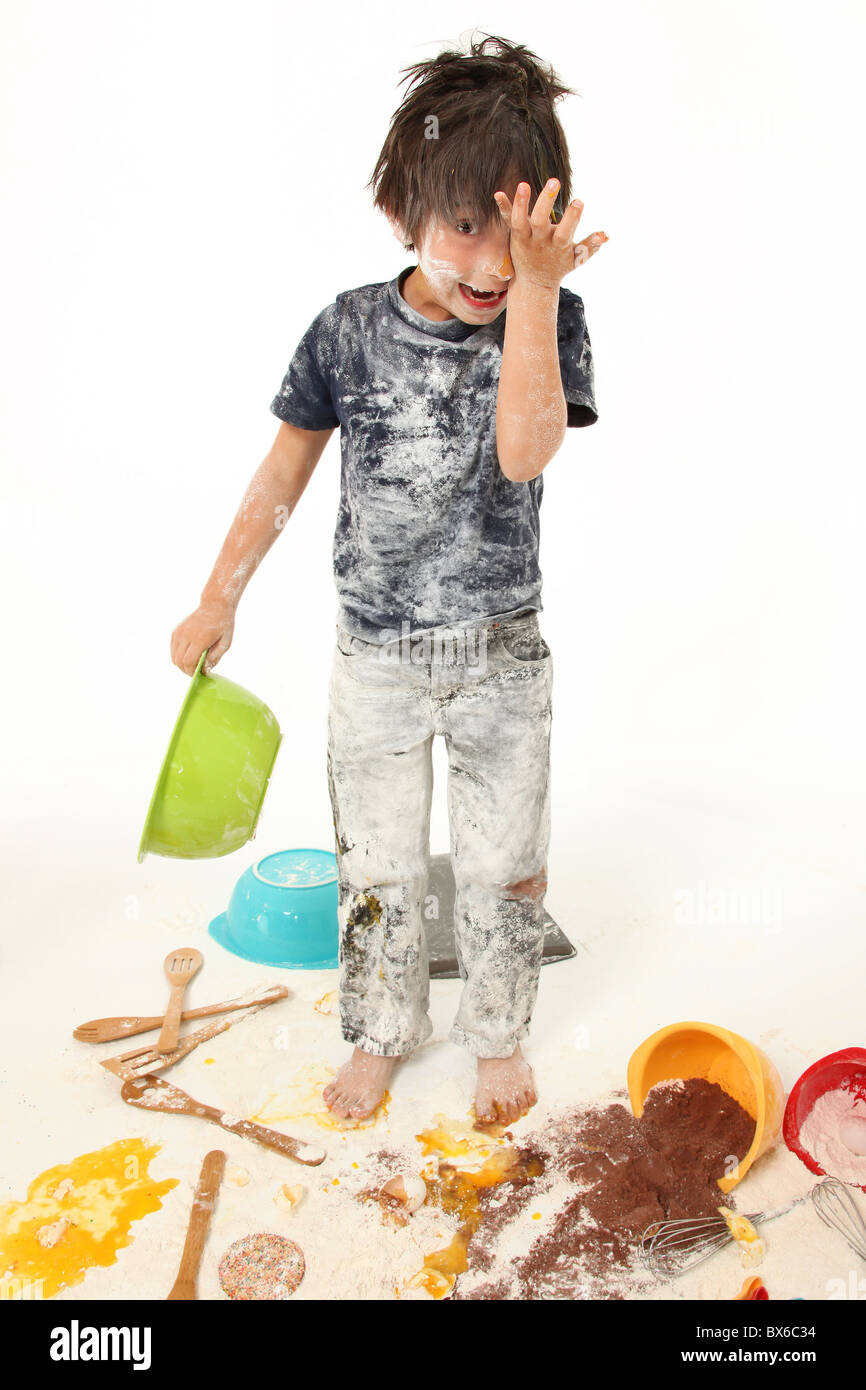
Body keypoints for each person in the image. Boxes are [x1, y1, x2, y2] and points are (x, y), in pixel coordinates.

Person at [171, 32, 607, 1126]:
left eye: (517, 234)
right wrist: (219, 595)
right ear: (399, 212)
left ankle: (497, 1036)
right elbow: (281, 469)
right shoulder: (347, 330)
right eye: (468, 229)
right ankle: (378, 1029)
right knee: (376, 864)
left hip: (501, 654)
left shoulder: (543, 314)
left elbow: (523, 450)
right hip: (374, 658)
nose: (494, 265)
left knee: (506, 865)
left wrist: (539, 302)